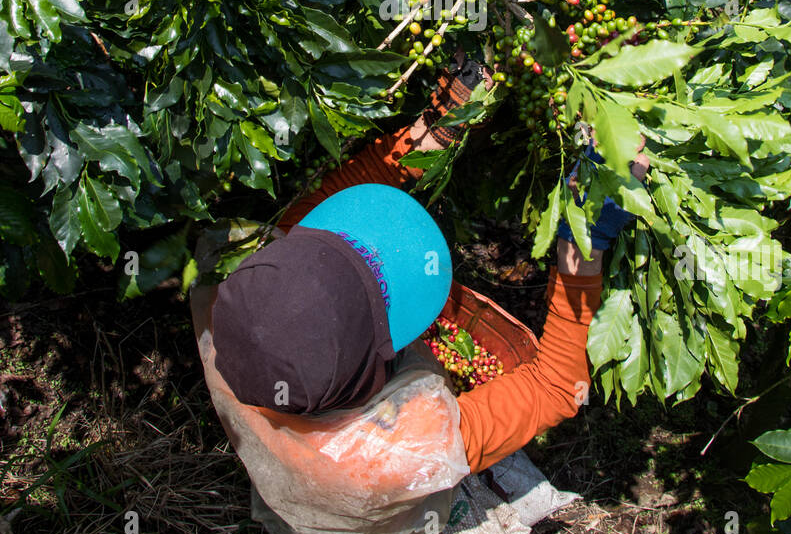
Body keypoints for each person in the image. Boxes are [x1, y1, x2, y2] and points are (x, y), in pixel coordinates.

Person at [202, 53, 649, 506]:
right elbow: (556, 386)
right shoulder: (408, 450)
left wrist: (436, 130)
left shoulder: (243, 304)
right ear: (366, 377)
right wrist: (583, 243)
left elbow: (310, 219)